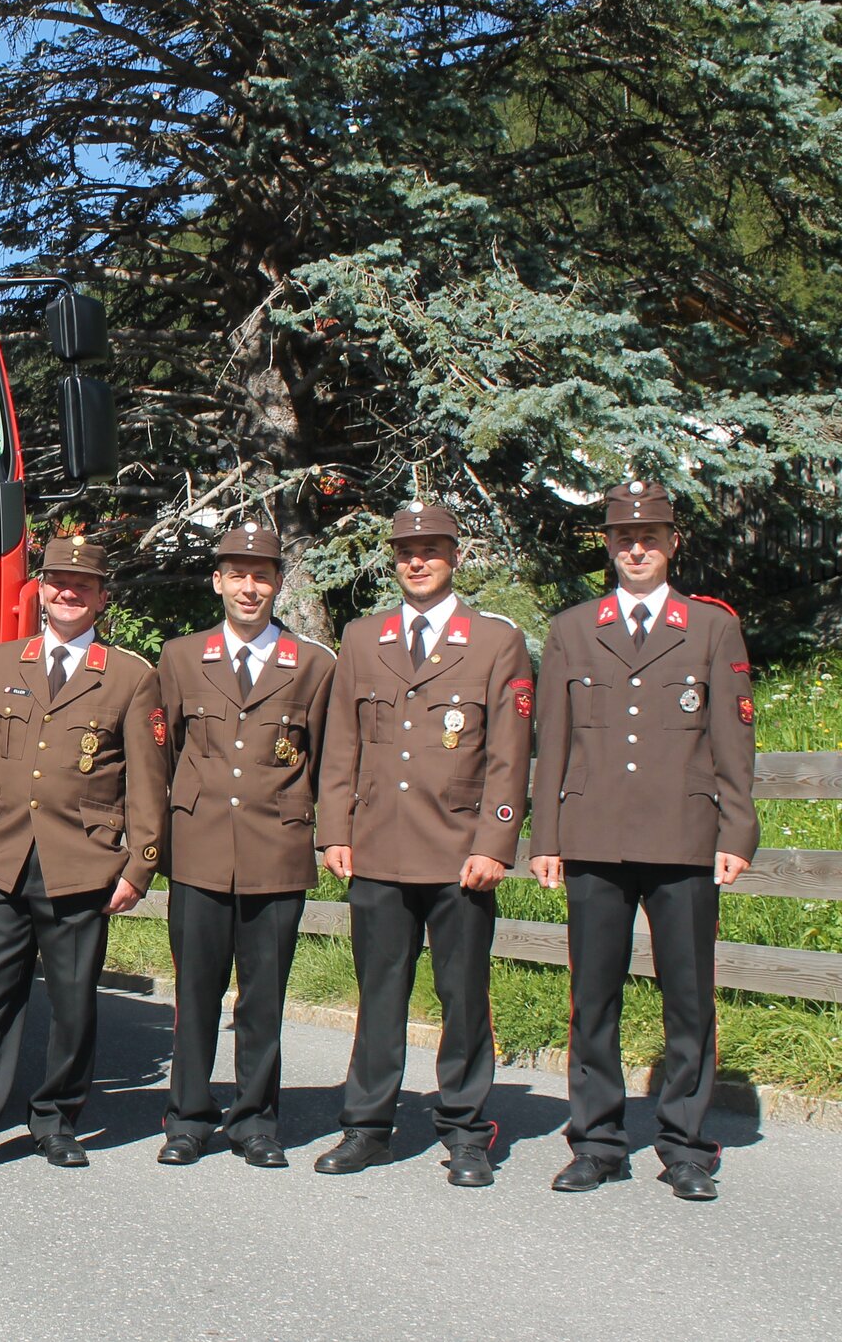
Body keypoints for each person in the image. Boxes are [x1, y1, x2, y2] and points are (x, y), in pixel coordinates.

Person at [530, 480, 757, 1202]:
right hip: (592, 835)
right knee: (592, 996)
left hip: (684, 835)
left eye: (650, 536)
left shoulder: (710, 627)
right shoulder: (572, 628)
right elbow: (553, 743)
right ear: (608, 545)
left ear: (672, 543)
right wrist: (547, 835)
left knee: (688, 997)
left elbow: (733, 738)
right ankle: (596, 1140)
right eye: (625, 537)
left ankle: (686, 1143)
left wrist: (737, 829)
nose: (637, 548)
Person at [0, 533, 168, 1179]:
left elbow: (147, 782)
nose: (69, 592)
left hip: (81, 863)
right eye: (59, 582)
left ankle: (56, 1117)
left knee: (73, 1001)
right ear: (42, 592)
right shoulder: (1, 663)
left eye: (82, 585)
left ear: (100, 597)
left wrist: (139, 866)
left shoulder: (129, 675)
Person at [314, 502, 533, 1187]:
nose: (417, 560)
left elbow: (508, 753)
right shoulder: (362, 637)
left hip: (459, 850)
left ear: (454, 555)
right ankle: (368, 1125)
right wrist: (335, 828)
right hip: (378, 845)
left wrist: (497, 838)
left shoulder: (495, 641)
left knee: (462, 993)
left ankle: (466, 1130)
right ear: (392, 558)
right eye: (406, 550)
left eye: (431, 548)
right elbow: (342, 742)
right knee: (378, 991)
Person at [153, 522, 336, 1169]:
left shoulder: (313, 664)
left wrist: (332, 834)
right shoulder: (180, 656)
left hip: (275, 851)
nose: (250, 586)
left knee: (263, 997)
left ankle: (257, 1121)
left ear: (279, 583)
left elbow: (329, 760)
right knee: (196, 993)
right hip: (199, 847)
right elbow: (163, 751)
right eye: (237, 574)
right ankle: (188, 1118)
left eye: (262, 575)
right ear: (218, 581)